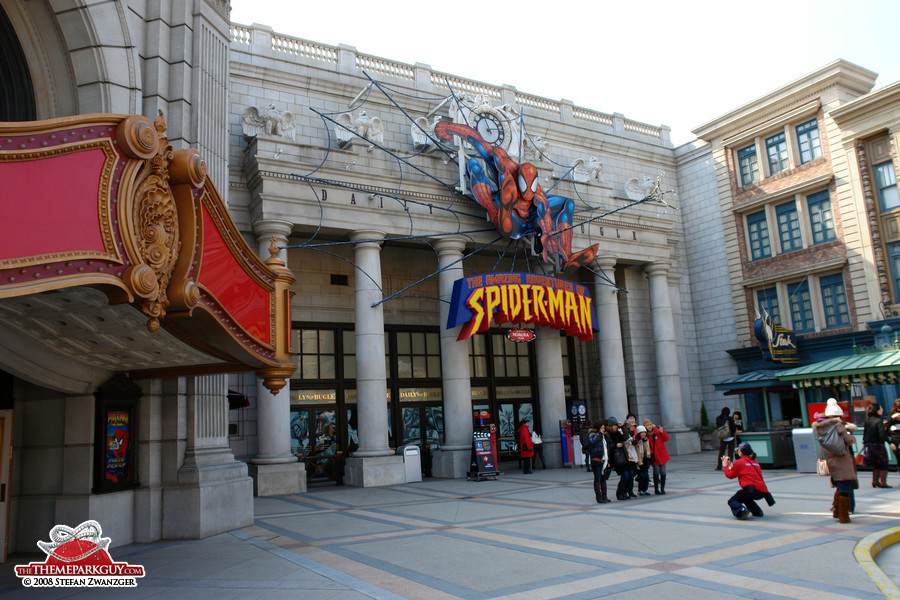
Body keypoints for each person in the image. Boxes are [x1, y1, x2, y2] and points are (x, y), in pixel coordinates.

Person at [812, 398, 858, 523]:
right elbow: (849, 440)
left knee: (840, 485)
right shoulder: (838, 426)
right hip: (842, 459)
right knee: (845, 487)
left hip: (832, 459)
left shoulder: (822, 427)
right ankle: (844, 516)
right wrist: (849, 434)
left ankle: (837, 511)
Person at [722, 442, 768, 519]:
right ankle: (757, 512)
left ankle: (742, 511)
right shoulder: (755, 462)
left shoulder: (740, 462)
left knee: (732, 501)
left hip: (751, 490)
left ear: (741, 452)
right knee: (746, 498)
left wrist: (725, 466)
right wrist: (730, 466)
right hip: (762, 491)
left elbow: (730, 475)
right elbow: (741, 470)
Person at [863, 402, 892, 488]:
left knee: (875, 464)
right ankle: (883, 482)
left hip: (870, 445)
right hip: (879, 445)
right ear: (877, 410)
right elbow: (882, 435)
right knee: (883, 463)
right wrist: (890, 442)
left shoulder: (867, 420)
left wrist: (864, 443)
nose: (882, 410)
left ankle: (875, 481)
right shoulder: (879, 421)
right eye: (881, 408)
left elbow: (865, 434)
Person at [606, 417, 632, 500]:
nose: (615, 427)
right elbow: (607, 447)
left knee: (630, 474)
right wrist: (615, 445)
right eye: (614, 425)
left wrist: (623, 427)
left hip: (623, 456)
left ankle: (625, 492)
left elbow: (626, 437)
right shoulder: (607, 434)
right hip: (616, 458)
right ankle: (620, 492)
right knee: (625, 475)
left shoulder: (618, 433)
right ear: (610, 426)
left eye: (616, 425)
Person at [587, 421, 610, 503]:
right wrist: (599, 434)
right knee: (597, 478)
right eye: (602, 428)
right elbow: (592, 442)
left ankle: (604, 496)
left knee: (603, 478)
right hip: (595, 459)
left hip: (603, 459)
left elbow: (606, 448)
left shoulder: (603, 436)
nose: (603, 429)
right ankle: (599, 497)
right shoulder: (592, 434)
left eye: (604, 428)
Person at [645, 419, 670, 494]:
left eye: (650, 425)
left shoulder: (657, 432)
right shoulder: (646, 435)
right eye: (647, 426)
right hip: (654, 457)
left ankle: (662, 488)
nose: (649, 427)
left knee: (663, 471)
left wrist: (662, 432)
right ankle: (656, 489)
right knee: (656, 471)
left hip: (662, 455)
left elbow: (666, 439)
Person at [633, 425, 652, 496]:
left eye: (644, 432)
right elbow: (637, 451)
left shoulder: (646, 440)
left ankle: (645, 489)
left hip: (645, 460)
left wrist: (645, 442)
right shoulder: (637, 441)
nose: (644, 434)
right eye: (642, 433)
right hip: (639, 461)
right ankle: (640, 490)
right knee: (641, 476)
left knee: (646, 476)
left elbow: (646, 450)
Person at [889, 398, 900, 483]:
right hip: (895, 438)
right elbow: (887, 424)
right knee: (899, 459)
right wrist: (894, 417)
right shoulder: (891, 414)